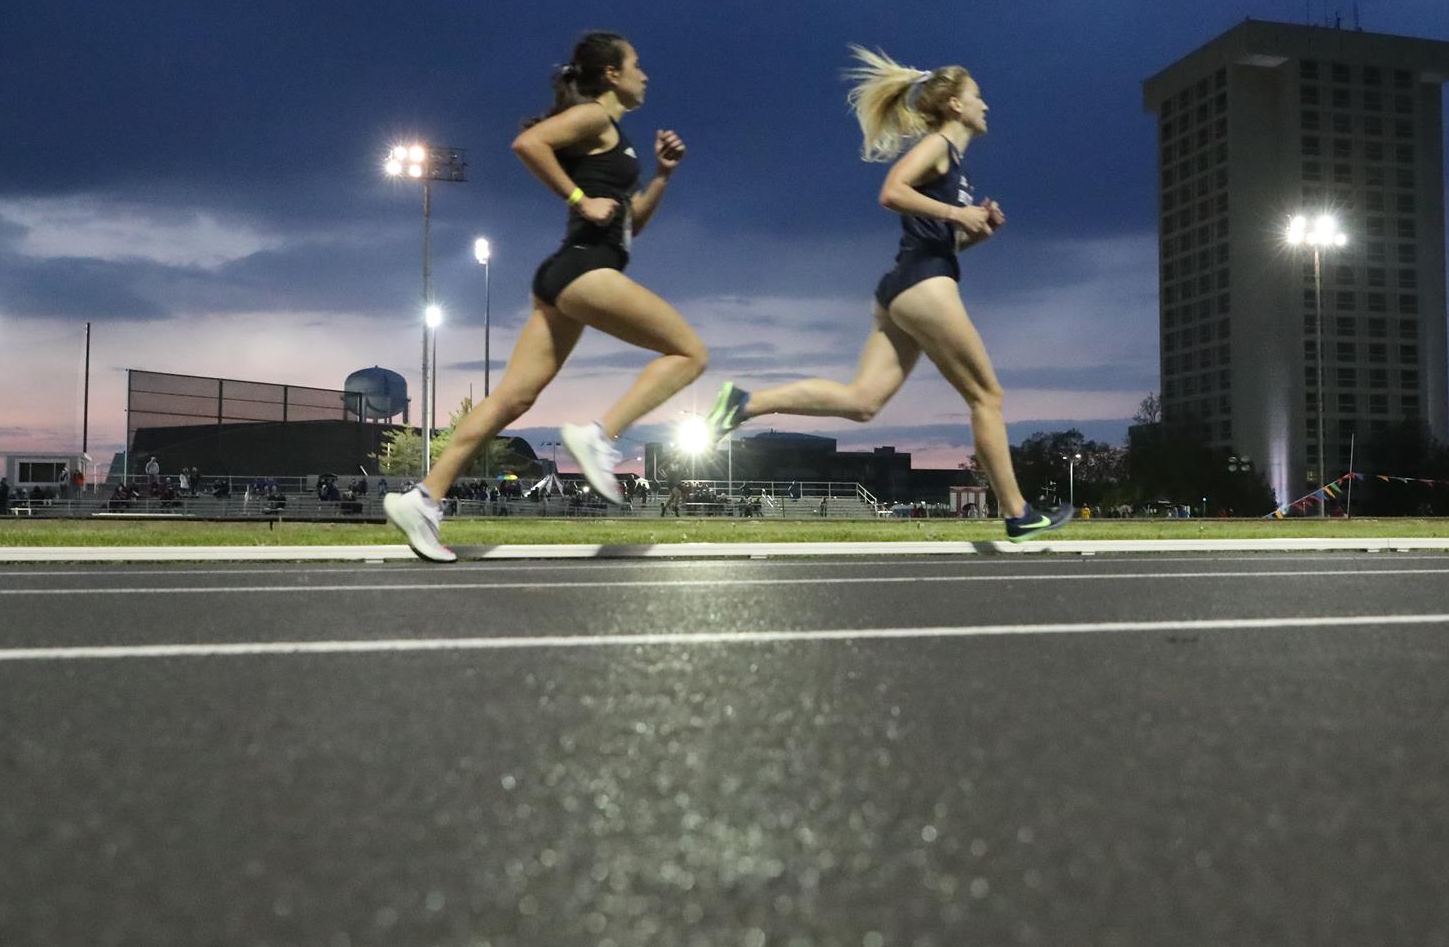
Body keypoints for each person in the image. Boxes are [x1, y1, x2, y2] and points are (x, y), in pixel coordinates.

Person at [700, 46, 1071, 542]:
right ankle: (1017, 512)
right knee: (987, 396)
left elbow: (941, 236)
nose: (987, 106)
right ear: (956, 105)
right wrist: (959, 214)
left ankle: (744, 404)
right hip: (923, 284)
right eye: (979, 97)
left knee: (862, 403)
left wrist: (978, 231)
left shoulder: (954, 165)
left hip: (905, 285)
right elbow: (891, 190)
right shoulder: (939, 145)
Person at [385, 32, 703, 562]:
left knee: (512, 399)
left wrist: (663, 177)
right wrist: (579, 197)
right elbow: (527, 145)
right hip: (584, 269)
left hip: (566, 275)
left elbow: (629, 227)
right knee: (690, 353)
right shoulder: (595, 119)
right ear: (611, 75)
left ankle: (423, 498)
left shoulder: (614, 135)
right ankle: (601, 437)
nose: (645, 74)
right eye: (637, 64)